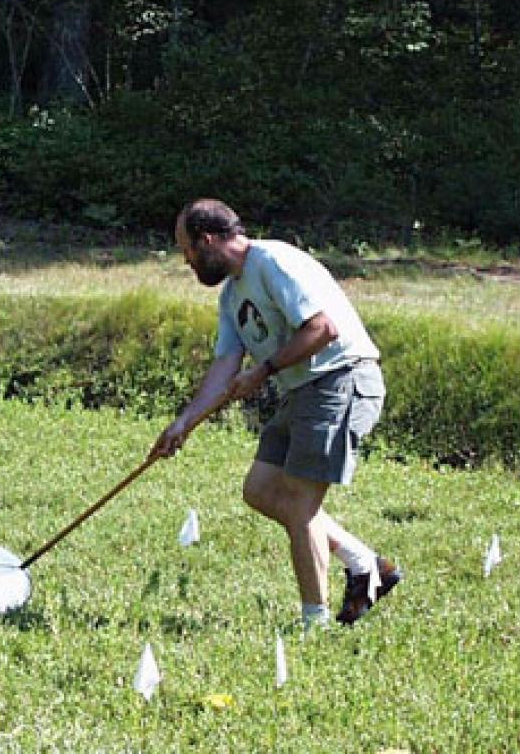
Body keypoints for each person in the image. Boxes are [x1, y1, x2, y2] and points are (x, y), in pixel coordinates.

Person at [151, 198, 402, 630]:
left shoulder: (272, 261)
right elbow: (224, 367)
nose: (186, 261)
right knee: (262, 490)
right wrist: (183, 425)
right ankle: (365, 564)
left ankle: (314, 624)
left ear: (207, 240)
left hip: (340, 380)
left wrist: (264, 370)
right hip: (301, 390)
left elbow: (323, 328)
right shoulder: (232, 294)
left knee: (299, 503)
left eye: (186, 250)